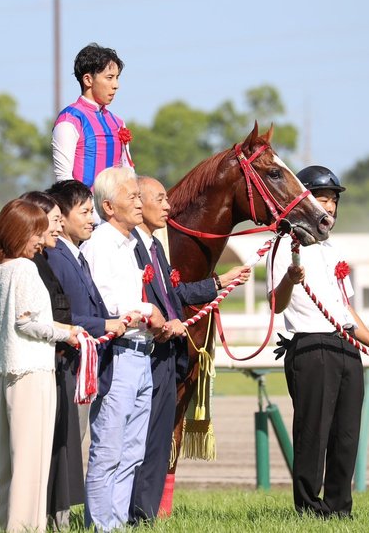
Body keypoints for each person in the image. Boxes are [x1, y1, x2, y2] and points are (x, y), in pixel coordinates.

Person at [267, 165, 369, 519]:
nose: (329, 207)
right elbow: (275, 304)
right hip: (310, 345)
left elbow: (347, 311)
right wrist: (290, 280)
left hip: (345, 347)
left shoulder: (331, 249)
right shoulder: (285, 244)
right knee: (314, 432)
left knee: (346, 435)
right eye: (321, 199)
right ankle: (309, 509)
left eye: (333, 201)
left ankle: (340, 508)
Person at [128, 176, 251, 523]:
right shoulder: (133, 249)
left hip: (165, 352)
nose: (171, 206)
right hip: (143, 351)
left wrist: (219, 283)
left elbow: (174, 296)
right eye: (161, 199)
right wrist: (163, 323)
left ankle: (146, 515)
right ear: (139, 204)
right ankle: (127, 513)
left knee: (157, 435)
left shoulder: (156, 248)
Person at [0, 199, 85, 533]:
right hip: (33, 371)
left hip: (10, 372)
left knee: (10, 463)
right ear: (20, 233)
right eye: (36, 234)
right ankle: (26, 527)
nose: (42, 241)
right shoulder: (25, 269)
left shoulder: (0, 269)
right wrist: (66, 334)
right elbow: (27, 322)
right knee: (31, 461)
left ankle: (5, 523)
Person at [80, 166, 166, 531]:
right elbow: (107, 304)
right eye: (131, 197)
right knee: (109, 450)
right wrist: (149, 311)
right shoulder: (100, 246)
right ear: (109, 206)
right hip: (118, 354)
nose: (138, 202)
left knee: (132, 451)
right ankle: (100, 524)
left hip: (141, 353)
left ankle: (115, 522)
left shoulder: (131, 245)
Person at [44, 179, 136, 443]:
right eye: (84, 212)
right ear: (60, 217)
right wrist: (104, 325)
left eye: (91, 212)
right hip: (68, 367)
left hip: (84, 367)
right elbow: (55, 317)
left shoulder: (75, 255)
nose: (93, 220)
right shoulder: (56, 257)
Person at [52, 43, 133, 187]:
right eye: (109, 77)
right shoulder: (69, 119)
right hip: (83, 206)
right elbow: (64, 179)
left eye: (117, 77)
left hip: (116, 208)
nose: (116, 85)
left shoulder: (119, 123)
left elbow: (128, 172)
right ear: (88, 80)